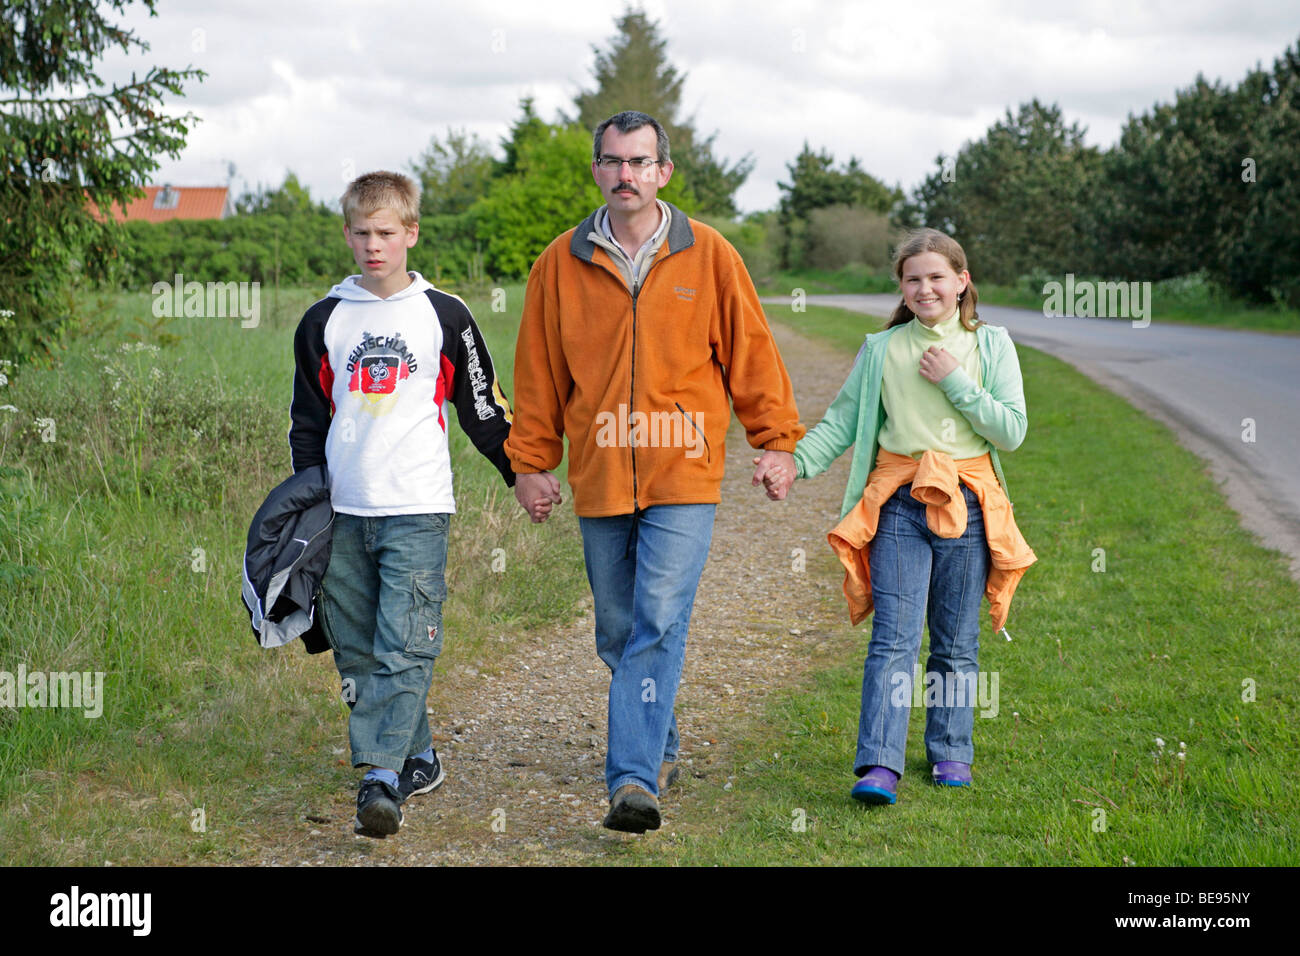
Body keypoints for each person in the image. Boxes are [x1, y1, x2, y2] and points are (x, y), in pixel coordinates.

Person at [504, 110, 804, 833]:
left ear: (663, 172)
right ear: (598, 171)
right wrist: (530, 463)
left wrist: (776, 440)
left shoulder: (710, 255)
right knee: (619, 630)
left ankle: (633, 780)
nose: (625, 174)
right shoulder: (560, 262)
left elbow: (752, 354)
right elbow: (539, 375)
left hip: (684, 472)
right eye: (612, 161)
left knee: (658, 616)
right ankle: (661, 741)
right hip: (602, 473)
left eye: (640, 162)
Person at [763, 227, 1035, 805]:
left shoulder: (992, 345)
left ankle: (951, 751)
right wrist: (794, 464)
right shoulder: (882, 349)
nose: (925, 288)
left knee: (956, 643)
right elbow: (840, 421)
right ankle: (880, 764)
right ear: (902, 287)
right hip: (897, 505)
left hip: (966, 503)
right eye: (913, 279)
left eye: (937, 276)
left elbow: (1010, 431)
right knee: (893, 637)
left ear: (962, 281)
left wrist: (955, 381)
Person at [288, 171, 516, 837]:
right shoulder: (322, 320)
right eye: (361, 233)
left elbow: (482, 410)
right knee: (358, 647)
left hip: (417, 505)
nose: (374, 245)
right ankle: (418, 755)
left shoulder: (445, 315)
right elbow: (308, 422)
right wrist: (309, 506)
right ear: (347, 235)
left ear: (411, 233)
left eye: (387, 232)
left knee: (407, 640)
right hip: (343, 510)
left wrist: (520, 474)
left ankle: (380, 777)